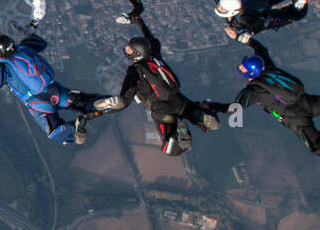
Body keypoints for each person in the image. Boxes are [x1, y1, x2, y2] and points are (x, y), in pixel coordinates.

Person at [92, 12, 229, 156]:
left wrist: (103, 107)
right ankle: (201, 117)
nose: (126, 48)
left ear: (136, 54)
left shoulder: (134, 70)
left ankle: (181, 139)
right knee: (189, 110)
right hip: (177, 99)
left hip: (160, 109)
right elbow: (149, 37)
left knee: (169, 148)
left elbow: (124, 101)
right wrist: (135, 20)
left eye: (129, 48)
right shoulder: (154, 55)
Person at [0, 32, 106, 144]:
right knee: (79, 100)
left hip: (36, 102)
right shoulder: (23, 48)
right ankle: (98, 102)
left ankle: (74, 128)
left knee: (55, 132)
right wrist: (24, 31)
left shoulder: (2, 67)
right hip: (52, 88)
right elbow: (42, 43)